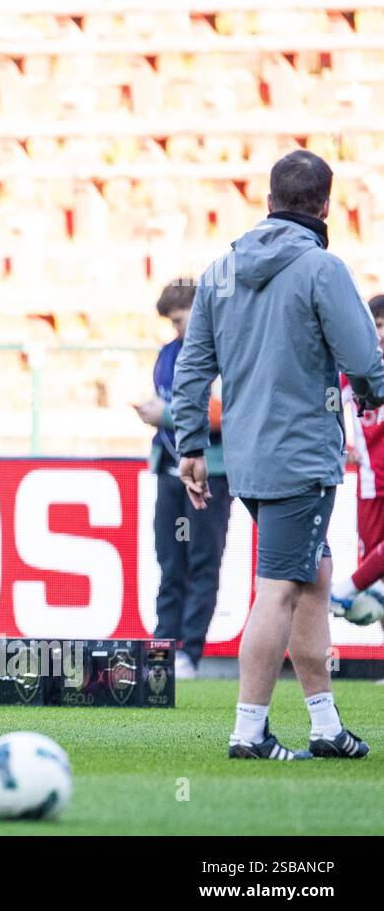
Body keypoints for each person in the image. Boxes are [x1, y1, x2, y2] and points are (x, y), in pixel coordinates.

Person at [173, 149, 378, 759]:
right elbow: (364, 359)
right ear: (323, 206)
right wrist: (372, 392)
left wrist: (189, 444)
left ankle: (324, 725)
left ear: (267, 202)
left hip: (248, 457)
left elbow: (192, 366)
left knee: (312, 574)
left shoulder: (220, 271)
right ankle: (248, 731)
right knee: (280, 586)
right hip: (302, 453)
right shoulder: (322, 267)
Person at [135, 278, 230, 681]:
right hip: (170, 470)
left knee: (202, 563)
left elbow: (225, 413)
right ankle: (162, 650)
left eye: (180, 318)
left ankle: (190, 652)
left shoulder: (223, 349)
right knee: (169, 562)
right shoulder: (168, 352)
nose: (176, 327)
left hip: (211, 473)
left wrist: (166, 415)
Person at [331, 294, 384, 649]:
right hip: (369, 483)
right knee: (377, 574)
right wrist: (342, 447)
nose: (380, 336)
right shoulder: (350, 374)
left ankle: (344, 589)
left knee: (370, 578)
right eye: (376, 327)